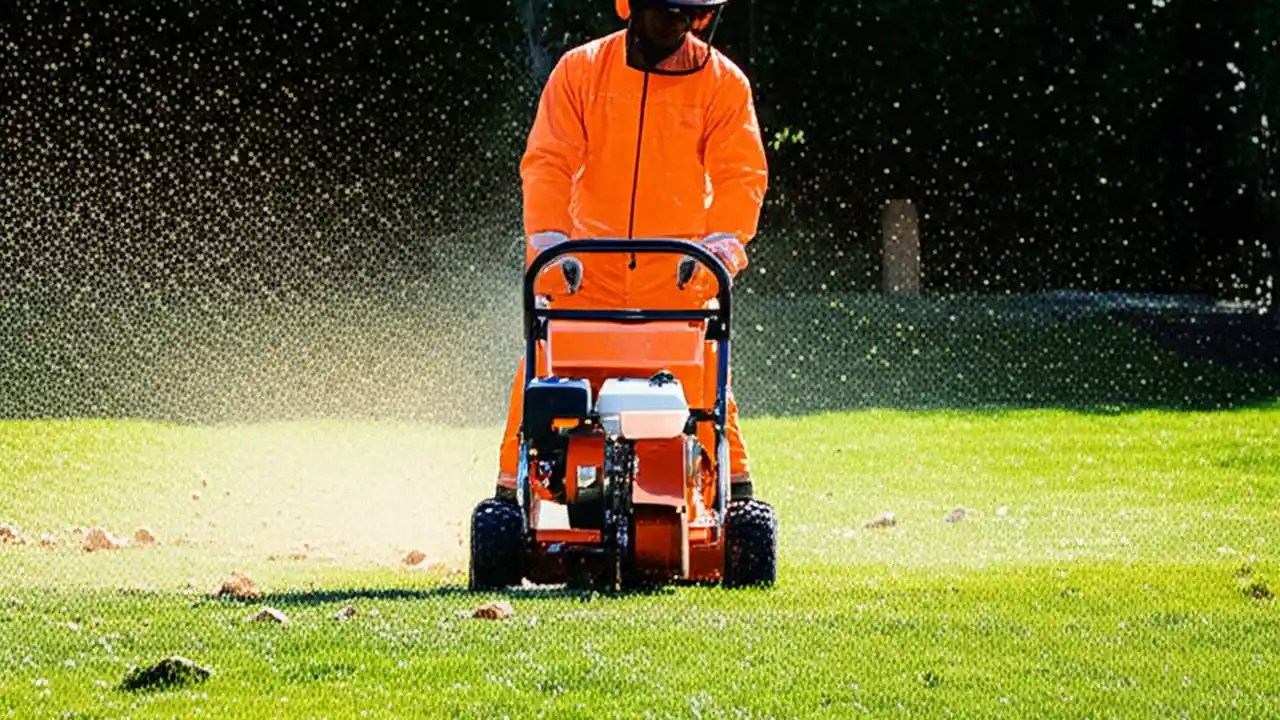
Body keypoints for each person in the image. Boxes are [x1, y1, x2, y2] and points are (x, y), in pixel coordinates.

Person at [494, 0, 768, 504]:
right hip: (584, 275)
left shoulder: (724, 85)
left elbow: (740, 175)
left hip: (679, 278)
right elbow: (549, 161)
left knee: (706, 384)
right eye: (671, 9)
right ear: (634, 6)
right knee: (541, 368)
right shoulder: (580, 71)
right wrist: (551, 240)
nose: (683, 23)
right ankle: (511, 495)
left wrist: (723, 245)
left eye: (695, 14)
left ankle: (733, 494)